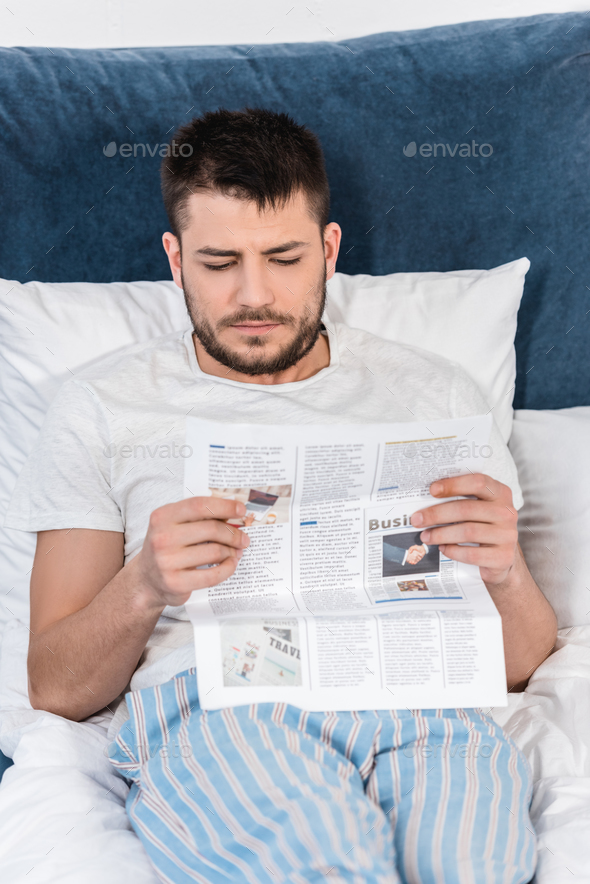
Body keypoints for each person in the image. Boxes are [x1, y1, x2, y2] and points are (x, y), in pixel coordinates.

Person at [5, 107, 557, 884]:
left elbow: (521, 665)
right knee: (323, 860)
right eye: (219, 262)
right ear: (175, 259)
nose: (254, 294)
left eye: (284, 257)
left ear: (328, 250)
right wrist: (145, 583)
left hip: (426, 708)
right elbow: (56, 686)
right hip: (221, 705)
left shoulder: (436, 394)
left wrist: (504, 573)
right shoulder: (102, 406)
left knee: (474, 868)